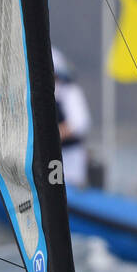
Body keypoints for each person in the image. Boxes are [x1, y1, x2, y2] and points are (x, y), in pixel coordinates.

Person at [52, 46, 91, 188]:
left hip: (69, 159)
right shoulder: (31, 96)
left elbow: (80, 123)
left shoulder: (69, 92)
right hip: (45, 160)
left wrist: (51, 135)